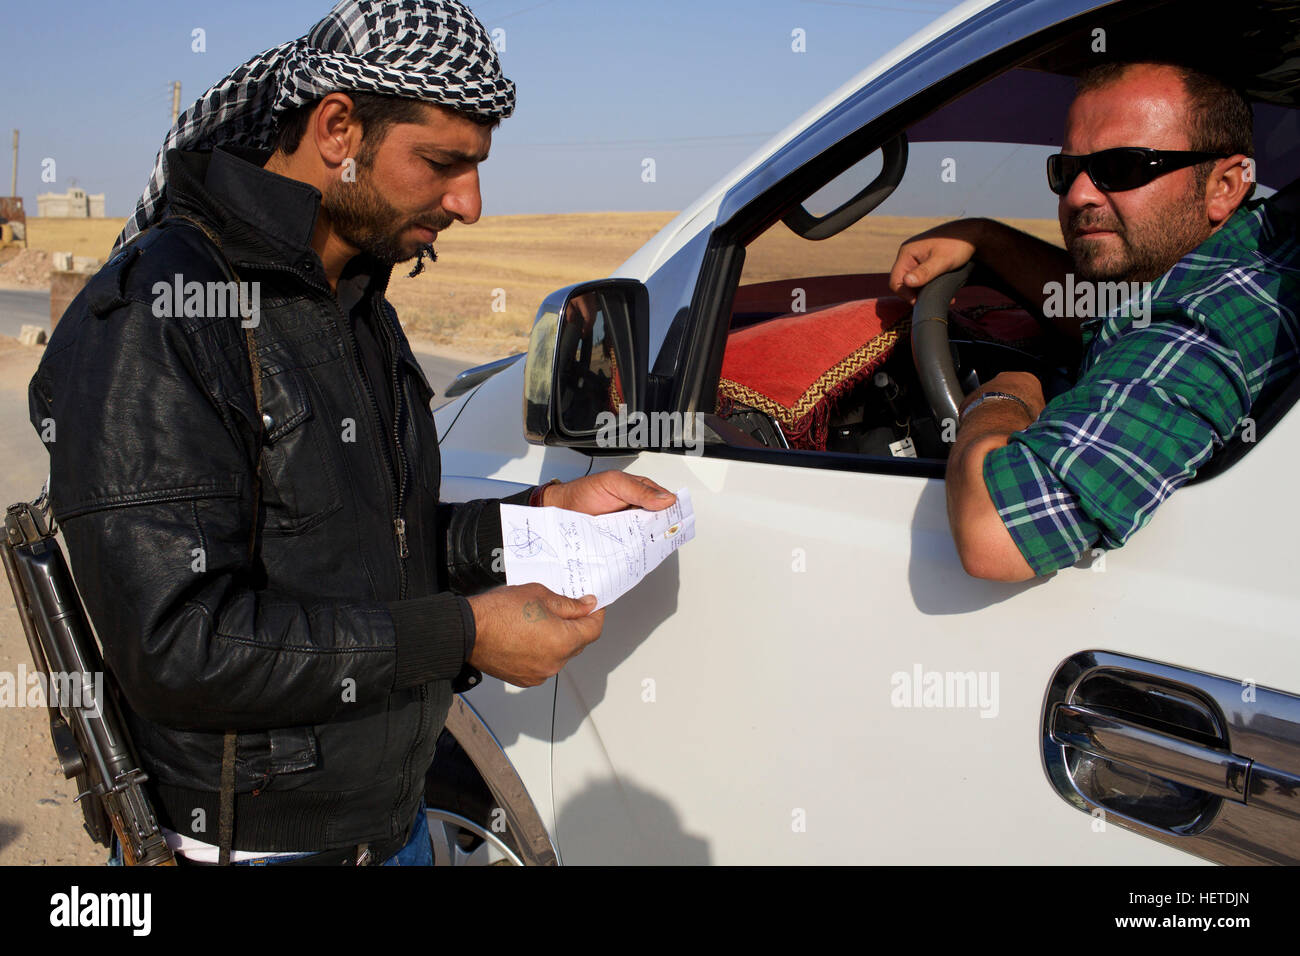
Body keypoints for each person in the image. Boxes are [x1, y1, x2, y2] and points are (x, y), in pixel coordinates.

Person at [30, 0, 675, 866]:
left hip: (391, 832)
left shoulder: (354, 299)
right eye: (443, 163)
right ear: (338, 128)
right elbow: (179, 643)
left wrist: (543, 519)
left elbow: (362, 546)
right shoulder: (164, 309)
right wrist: (466, 634)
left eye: (477, 167)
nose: (470, 203)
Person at [888, 60, 1300, 581]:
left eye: (1122, 168)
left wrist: (1004, 397)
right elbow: (1115, 307)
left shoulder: (1206, 328)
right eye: (1066, 172)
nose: (1077, 195)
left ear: (1224, 185)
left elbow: (994, 533)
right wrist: (986, 238)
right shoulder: (1254, 247)